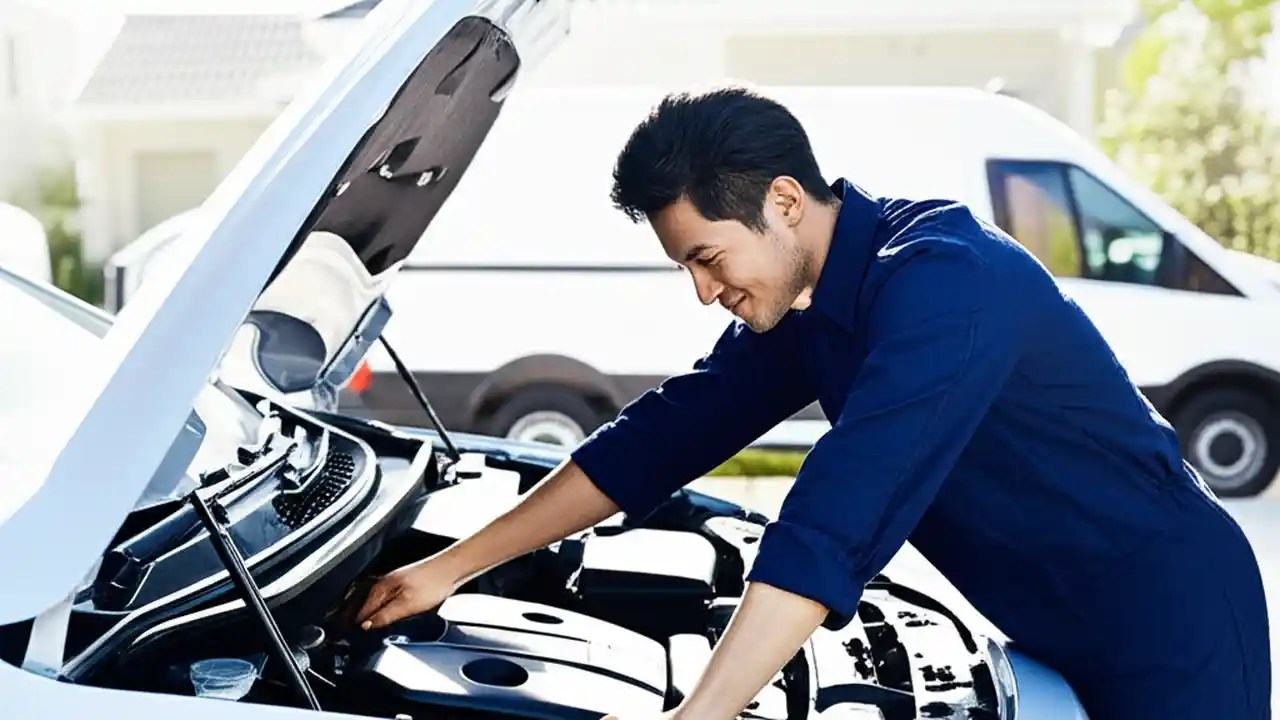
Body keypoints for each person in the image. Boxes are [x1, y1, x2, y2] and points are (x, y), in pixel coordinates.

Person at [354, 87, 1270, 719]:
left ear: (784, 201)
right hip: (1047, 618)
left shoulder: (948, 285)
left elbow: (838, 512)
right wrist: (450, 569)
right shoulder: (812, 302)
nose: (703, 292)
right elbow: (660, 438)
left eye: (707, 258)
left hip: (1168, 620)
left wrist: (701, 713)